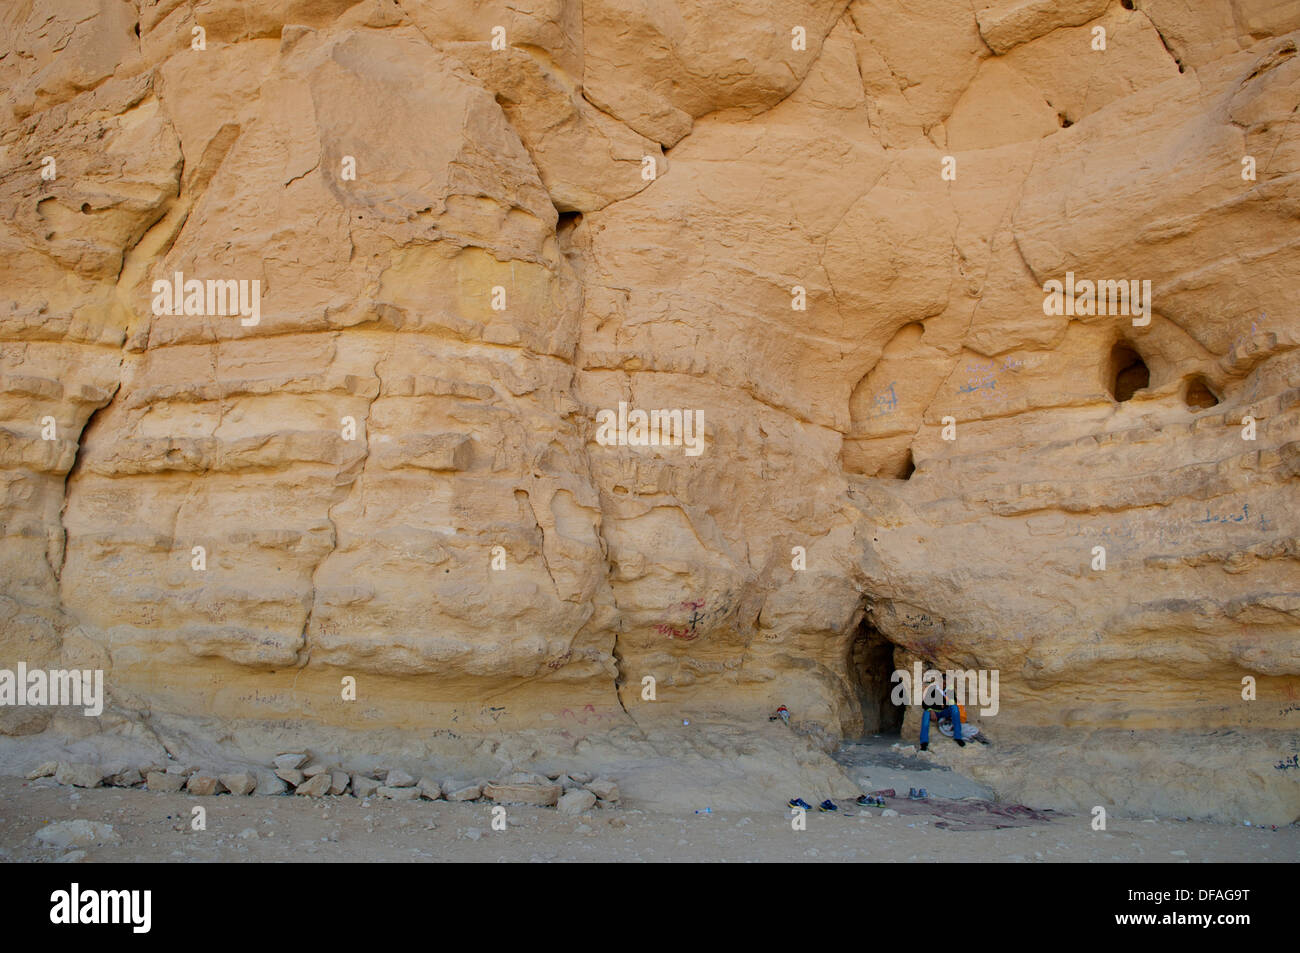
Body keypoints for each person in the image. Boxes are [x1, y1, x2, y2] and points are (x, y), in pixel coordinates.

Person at [919, 671, 965, 751]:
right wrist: (931, 711)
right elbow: (924, 703)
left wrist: (946, 695)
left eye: (945, 684)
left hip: (945, 712)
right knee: (926, 713)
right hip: (935, 712)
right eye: (942, 683)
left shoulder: (949, 689)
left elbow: (953, 702)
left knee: (954, 708)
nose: (944, 685)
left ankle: (958, 737)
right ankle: (924, 742)